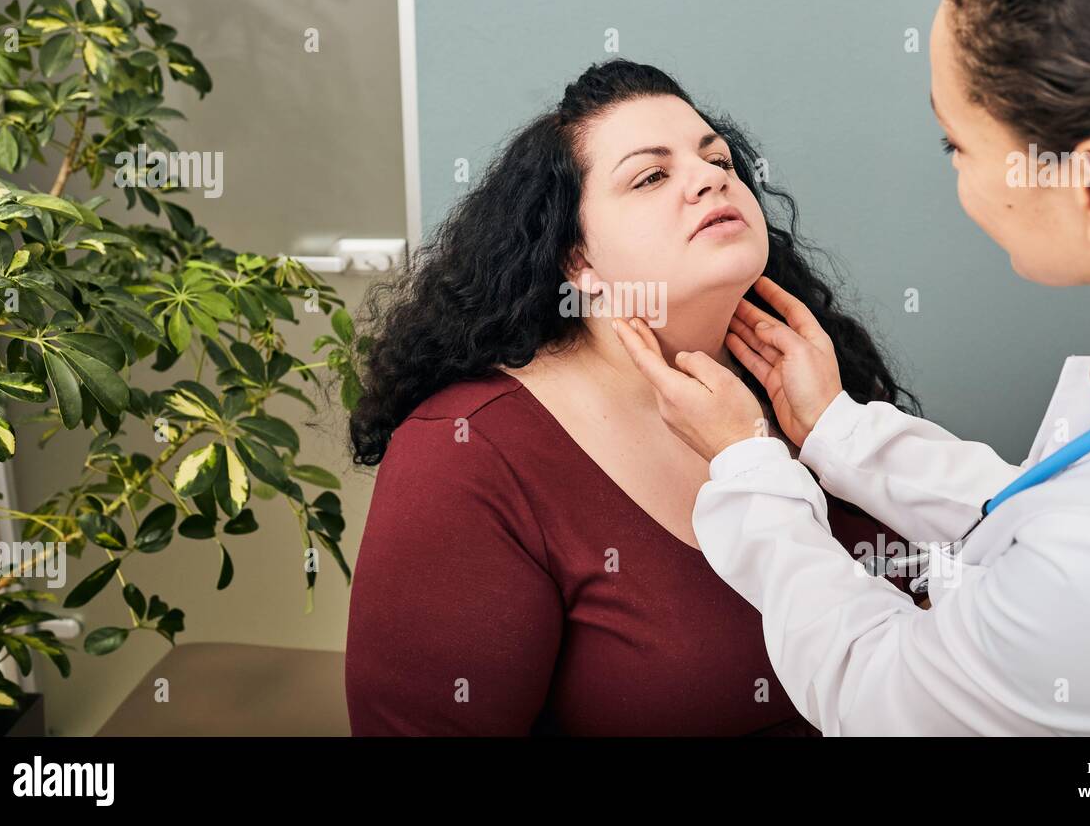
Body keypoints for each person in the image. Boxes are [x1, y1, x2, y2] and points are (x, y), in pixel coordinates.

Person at [613, 0, 1090, 735]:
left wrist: (748, 467)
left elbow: (884, 696)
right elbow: (1051, 519)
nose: (707, 180)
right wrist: (840, 432)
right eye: (651, 175)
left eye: (956, 142)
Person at [344, 58, 923, 735]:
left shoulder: (821, 393)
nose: (711, 177)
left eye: (719, 160)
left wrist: (839, 429)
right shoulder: (467, 450)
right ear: (577, 262)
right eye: (652, 176)